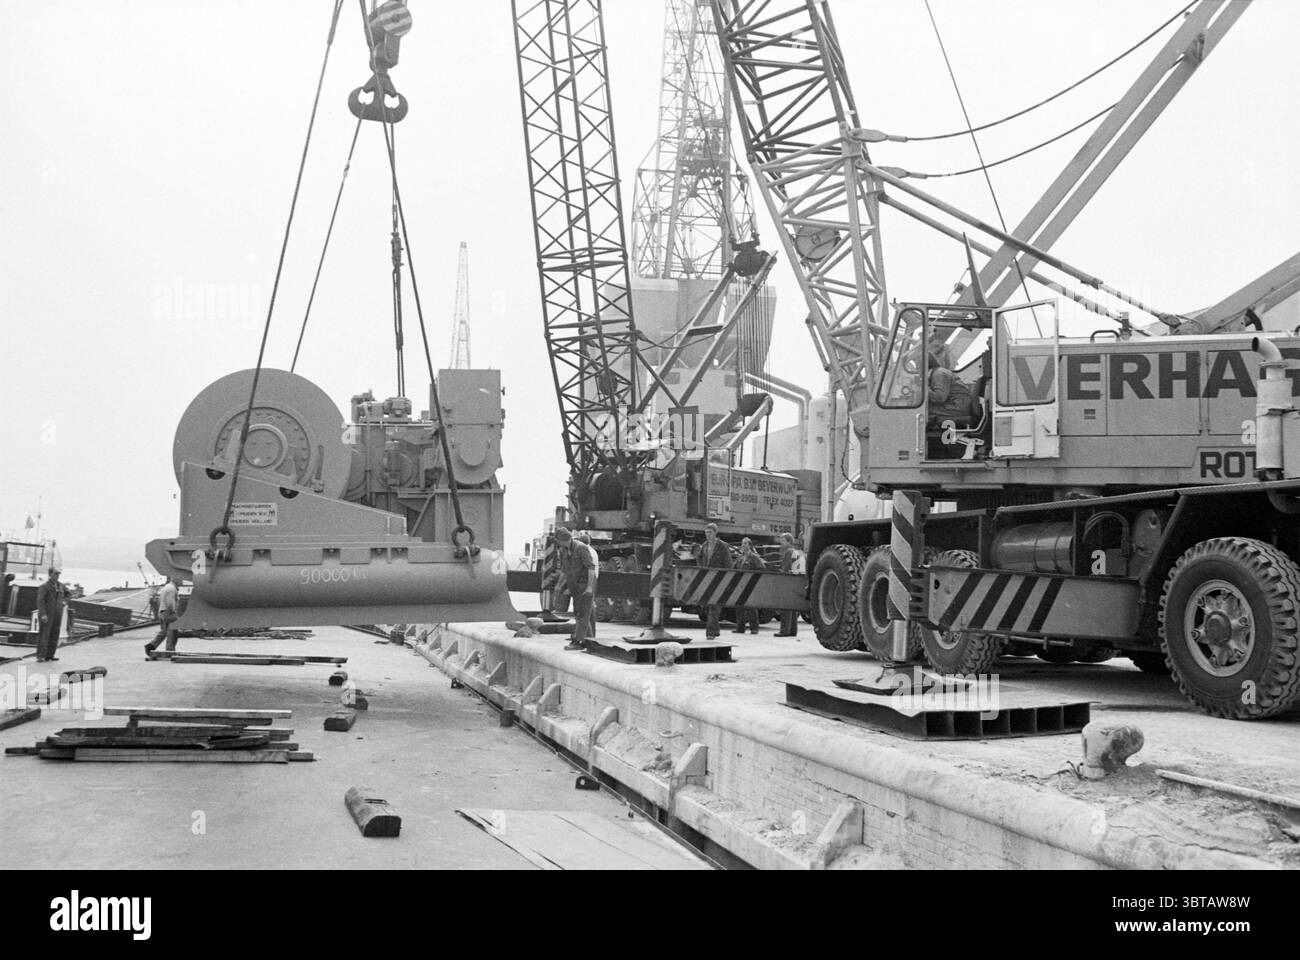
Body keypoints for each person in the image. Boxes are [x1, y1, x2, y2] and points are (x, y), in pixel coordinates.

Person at [554, 528, 597, 651]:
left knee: (583, 613)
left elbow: (591, 567)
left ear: (561, 540)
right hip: (574, 586)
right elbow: (565, 571)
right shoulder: (563, 551)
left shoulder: (580, 548)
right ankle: (587, 639)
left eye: (558, 540)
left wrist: (589, 587)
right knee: (579, 613)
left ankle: (578, 640)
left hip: (584, 585)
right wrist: (560, 585)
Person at [695, 523, 732, 639]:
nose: (707, 535)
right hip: (707, 580)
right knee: (709, 607)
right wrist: (702, 569)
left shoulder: (722, 546)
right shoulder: (704, 546)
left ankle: (710, 632)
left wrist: (726, 578)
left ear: (715, 533)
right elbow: (699, 557)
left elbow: (728, 564)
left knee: (714, 607)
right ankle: (714, 631)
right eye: (706, 532)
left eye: (710, 532)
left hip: (719, 580)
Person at [144, 576, 183, 658]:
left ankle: (151, 646)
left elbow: (159, 601)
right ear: (175, 579)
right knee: (172, 633)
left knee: (164, 632)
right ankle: (170, 652)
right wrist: (173, 612)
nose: (182, 581)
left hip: (162, 612)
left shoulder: (166, 587)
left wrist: (162, 611)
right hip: (169, 612)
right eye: (181, 579)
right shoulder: (172, 588)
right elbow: (170, 602)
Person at [733, 538, 766, 635]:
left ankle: (754, 628)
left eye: (745, 543)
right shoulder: (740, 558)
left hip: (750, 585)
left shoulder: (754, 557)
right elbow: (734, 569)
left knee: (751, 607)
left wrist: (753, 577)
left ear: (750, 545)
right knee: (739, 607)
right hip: (740, 585)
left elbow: (761, 569)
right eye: (742, 543)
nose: (743, 545)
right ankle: (740, 628)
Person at [35, 567, 66, 662]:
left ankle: (50, 655)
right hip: (47, 614)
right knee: (44, 635)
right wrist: (43, 614)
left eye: (58, 574)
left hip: (57, 614)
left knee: (54, 634)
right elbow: (40, 601)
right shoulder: (44, 587)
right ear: (50, 574)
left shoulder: (61, 586)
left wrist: (65, 601)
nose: (57, 576)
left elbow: (69, 594)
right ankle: (41, 656)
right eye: (55, 574)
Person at [775, 532, 800, 637]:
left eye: (783, 541)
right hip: (795, 582)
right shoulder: (796, 552)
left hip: (787, 582)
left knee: (785, 607)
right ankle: (793, 630)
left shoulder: (788, 552)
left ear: (789, 542)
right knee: (792, 608)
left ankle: (784, 630)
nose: (781, 543)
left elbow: (785, 569)